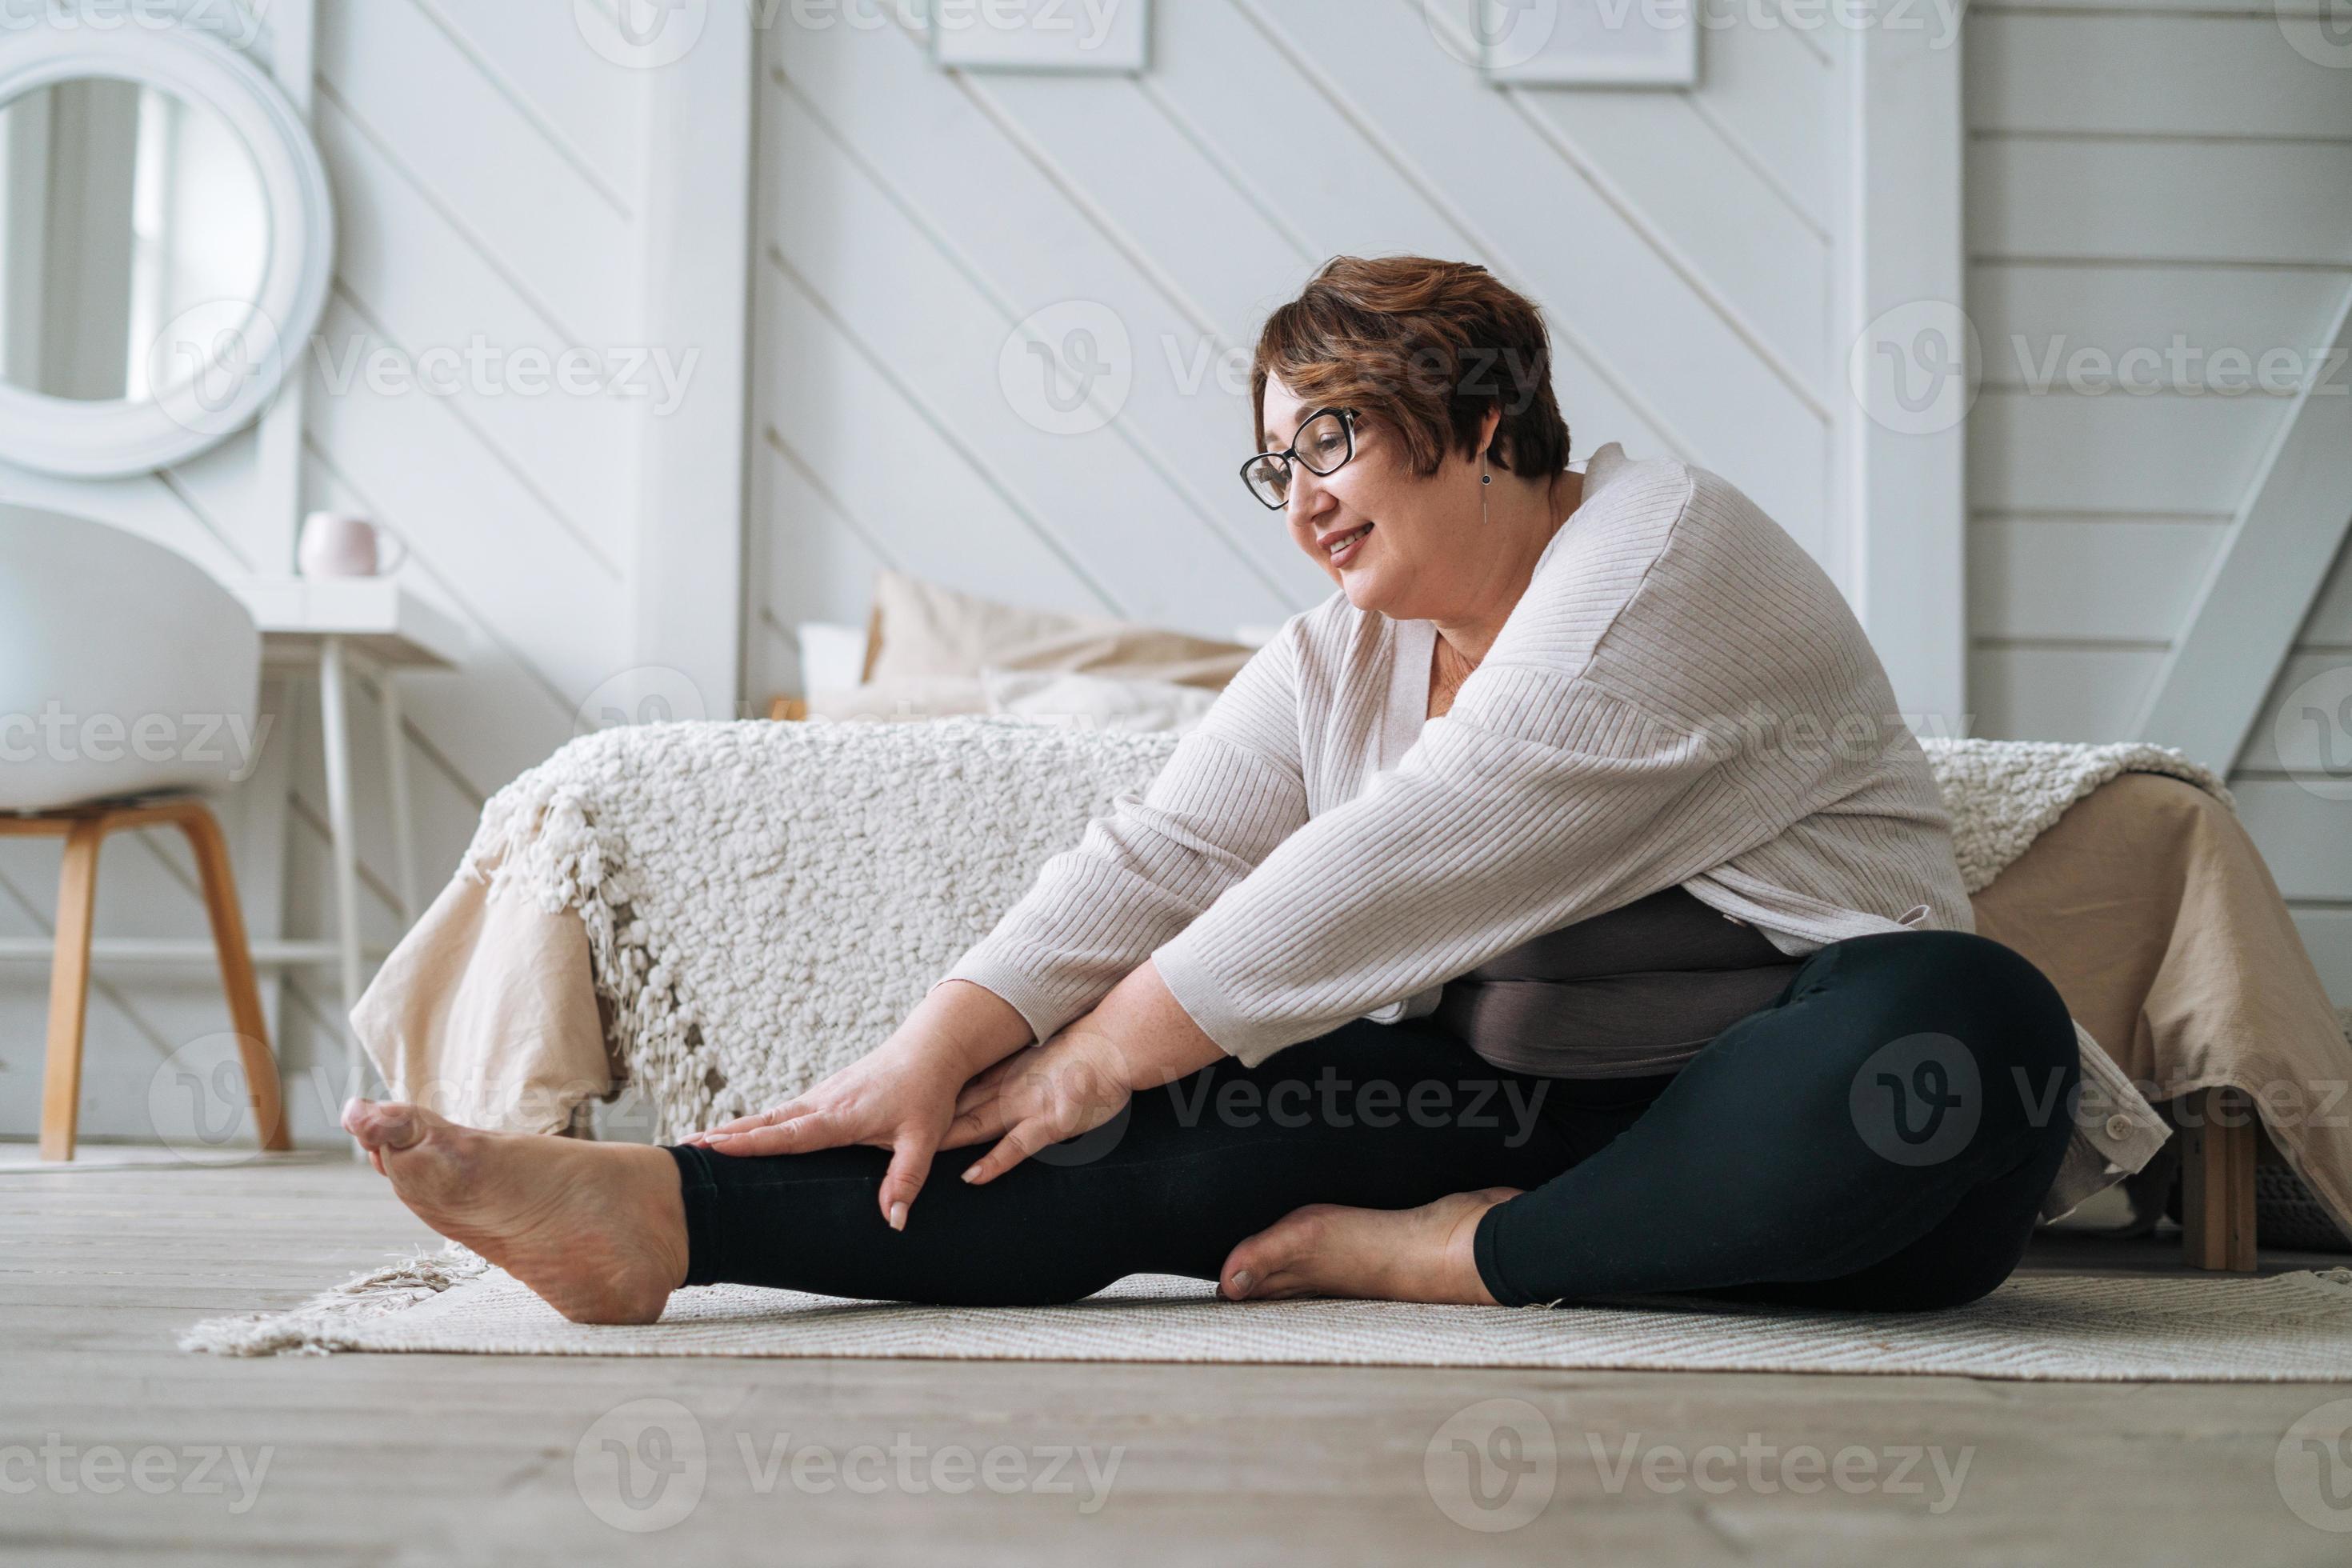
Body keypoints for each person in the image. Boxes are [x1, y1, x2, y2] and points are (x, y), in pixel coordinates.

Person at [345, 256, 2082, 1326]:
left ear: (1484, 421)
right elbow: (1167, 848)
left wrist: (1108, 1044)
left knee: (1965, 1015)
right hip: (1532, 1113)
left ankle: (1459, 1256)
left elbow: (1401, 854)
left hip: (1824, 1147)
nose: (1299, 499)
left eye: (1331, 438)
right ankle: (664, 1218)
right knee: (1149, 1126)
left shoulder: (1659, 558)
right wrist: (952, 1034)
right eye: (1274, 461)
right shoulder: (1345, 651)